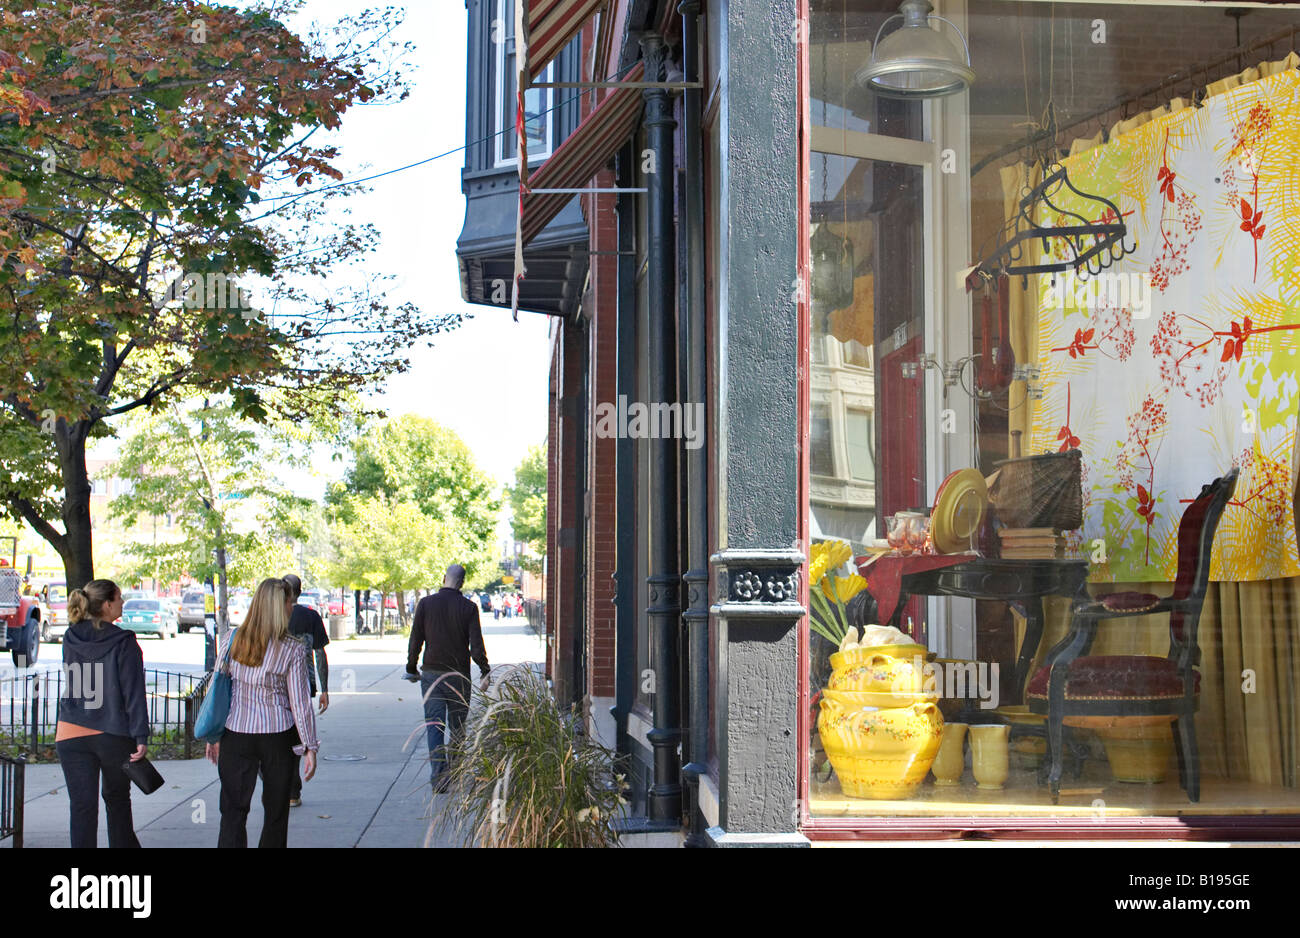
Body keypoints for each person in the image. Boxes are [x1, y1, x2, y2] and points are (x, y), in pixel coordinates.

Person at [206, 577, 319, 848]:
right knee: (276, 812)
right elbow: (300, 703)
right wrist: (310, 745)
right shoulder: (291, 648)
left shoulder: (231, 640)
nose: (293, 607)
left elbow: (216, 691)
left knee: (233, 810)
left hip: (236, 734)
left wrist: (214, 734)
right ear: (278, 608)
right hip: (277, 736)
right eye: (289, 603)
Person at [56, 579, 149, 848]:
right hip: (112, 732)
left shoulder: (70, 637)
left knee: (82, 807)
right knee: (117, 801)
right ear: (107, 605)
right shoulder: (124, 641)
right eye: (119, 598)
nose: (123, 602)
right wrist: (141, 735)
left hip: (71, 731)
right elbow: (133, 693)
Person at [405, 564, 490, 792]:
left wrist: (411, 667)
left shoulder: (425, 604)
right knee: (458, 728)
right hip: (458, 676)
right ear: (462, 582)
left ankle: (439, 778)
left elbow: (416, 640)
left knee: (435, 726)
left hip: (431, 674)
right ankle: (453, 771)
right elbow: (476, 645)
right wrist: (484, 670)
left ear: (444, 578)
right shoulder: (469, 608)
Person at [280, 574, 329, 808]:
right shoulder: (311, 616)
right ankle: (292, 789)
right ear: (301, 590)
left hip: (277, 685)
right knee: (295, 736)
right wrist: (325, 689)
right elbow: (320, 654)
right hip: (303, 682)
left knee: (281, 736)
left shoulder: (276, 614)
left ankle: (286, 786)